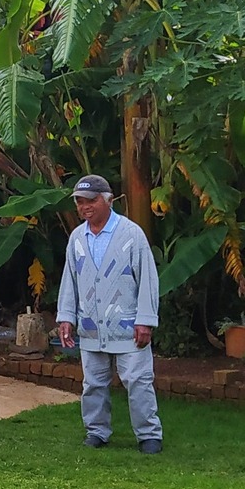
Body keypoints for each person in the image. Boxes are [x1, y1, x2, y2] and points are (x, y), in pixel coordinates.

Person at [54, 174, 163, 453]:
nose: (84, 206)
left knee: (138, 381)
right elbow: (70, 280)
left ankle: (149, 435)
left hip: (128, 325)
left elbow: (148, 279)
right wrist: (66, 317)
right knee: (93, 384)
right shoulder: (77, 238)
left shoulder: (131, 234)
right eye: (79, 201)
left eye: (90, 200)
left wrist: (145, 321)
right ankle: (97, 431)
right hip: (92, 326)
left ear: (108, 200)